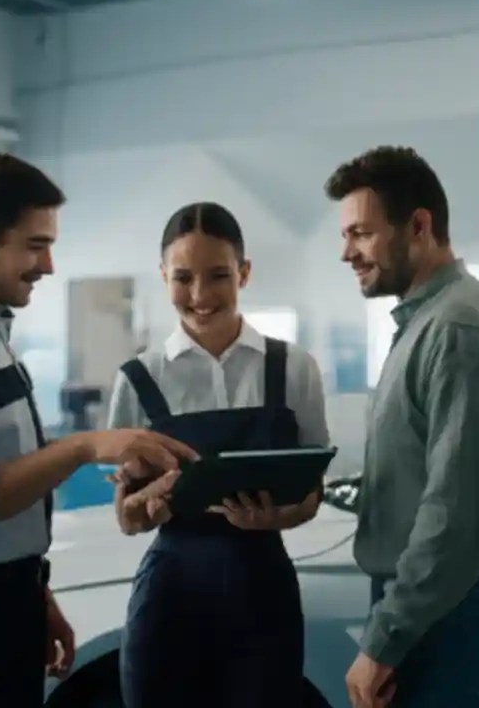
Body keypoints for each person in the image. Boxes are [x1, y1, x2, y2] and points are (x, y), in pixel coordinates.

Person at [0, 154, 197, 708]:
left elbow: (4, 494)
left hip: (6, 599)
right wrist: (87, 445)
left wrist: (33, 591)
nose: (47, 264)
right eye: (34, 244)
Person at [324, 147, 479, 708]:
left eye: (361, 233)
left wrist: (385, 639)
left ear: (419, 225)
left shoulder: (457, 329)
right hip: (434, 608)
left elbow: (457, 513)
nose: (346, 252)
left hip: (444, 614)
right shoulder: (428, 322)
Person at [104, 202, 330, 708]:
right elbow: (126, 519)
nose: (200, 295)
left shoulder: (294, 369)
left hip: (263, 586)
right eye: (183, 277)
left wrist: (281, 514)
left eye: (218, 275)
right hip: (171, 591)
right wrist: (143, 509)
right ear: (163, 277)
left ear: (244, 273)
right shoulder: (137, 380)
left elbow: (311, 492)